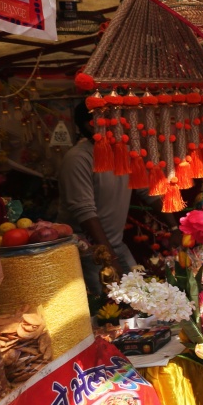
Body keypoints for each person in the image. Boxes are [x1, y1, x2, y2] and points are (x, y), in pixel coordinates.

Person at [58, 100, 137, 298]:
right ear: (91, 124)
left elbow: (145, 190)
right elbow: (85, 213)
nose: (120, 123)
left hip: (116, 245)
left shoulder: (120, 152)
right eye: (112, 118)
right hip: (89, 251)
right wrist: (109, 259)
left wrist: (178, 225)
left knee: (141, 298)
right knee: (108, 308)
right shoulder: (78, 158)